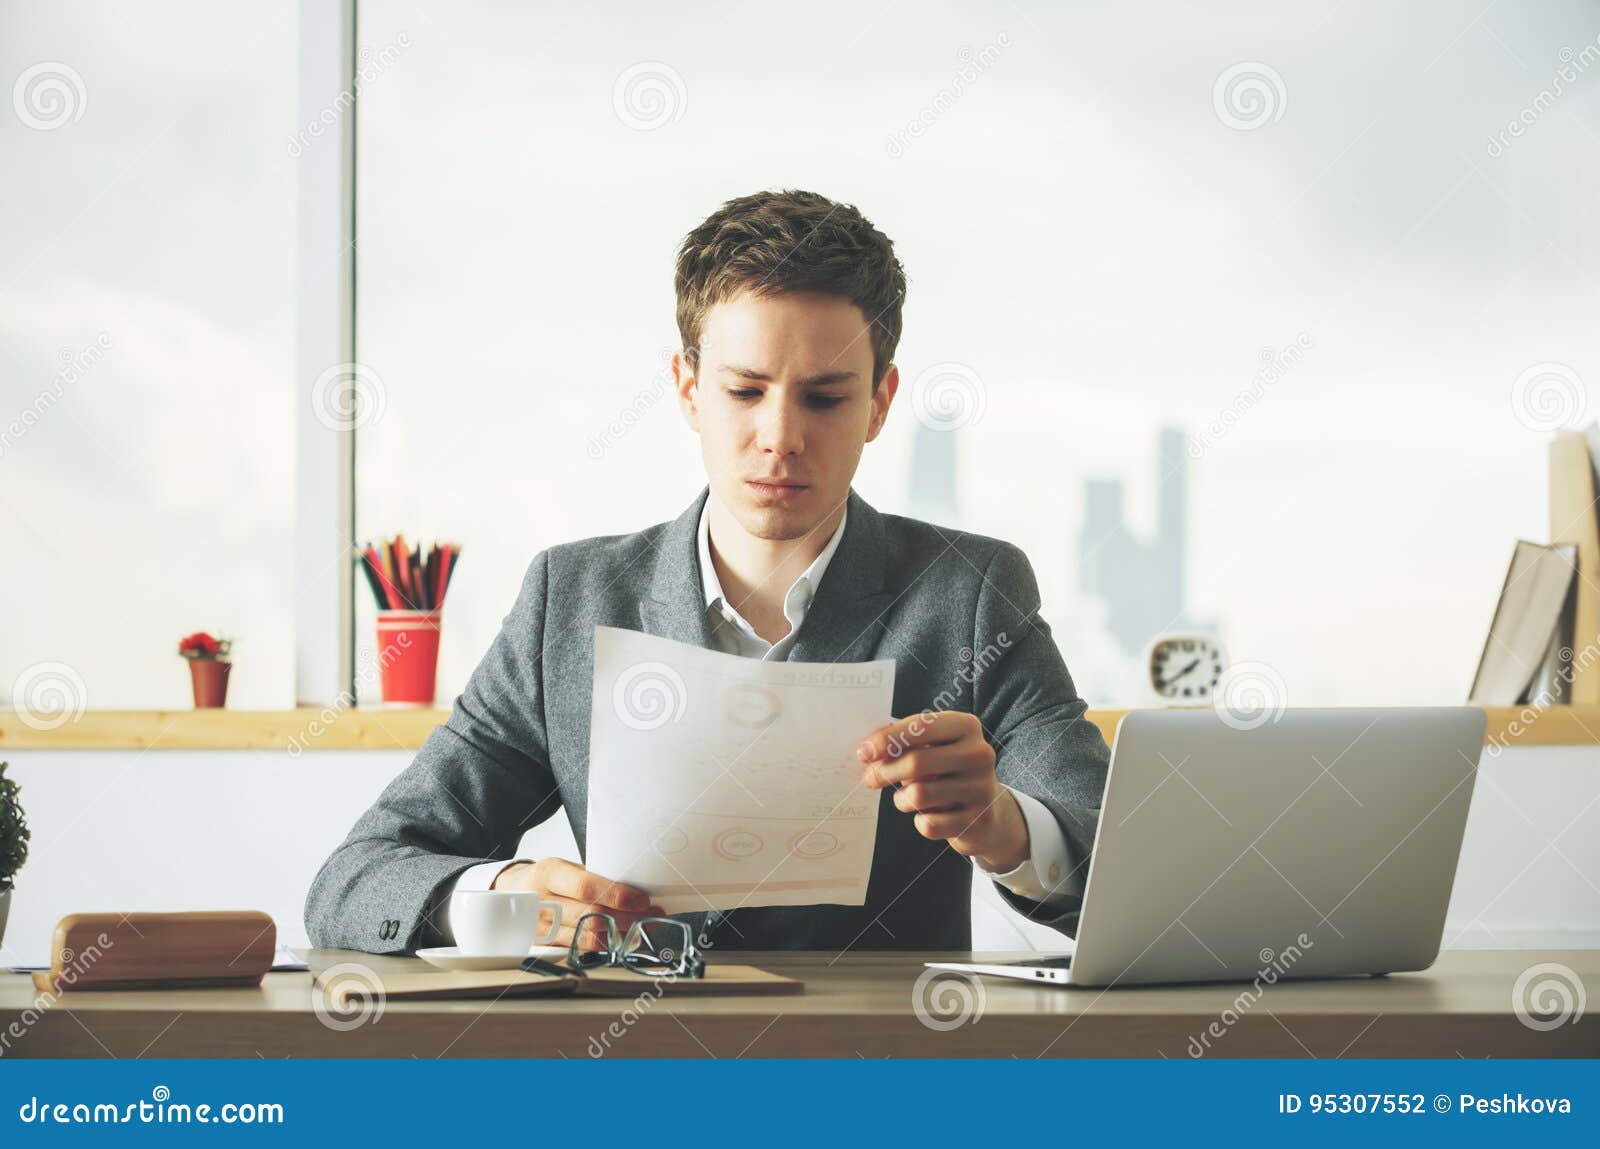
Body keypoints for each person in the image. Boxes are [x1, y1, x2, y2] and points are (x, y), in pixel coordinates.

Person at [305, 189, 1109, 955]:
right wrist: (509, 892)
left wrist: (1004, 827)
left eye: (825, 398)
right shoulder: (572, 600)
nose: (780, 435)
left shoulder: (970, 591)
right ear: (689, 389)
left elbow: (1122, 868)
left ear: (880, 402)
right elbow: (355, 879)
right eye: (744, 389)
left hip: (876, 1069)